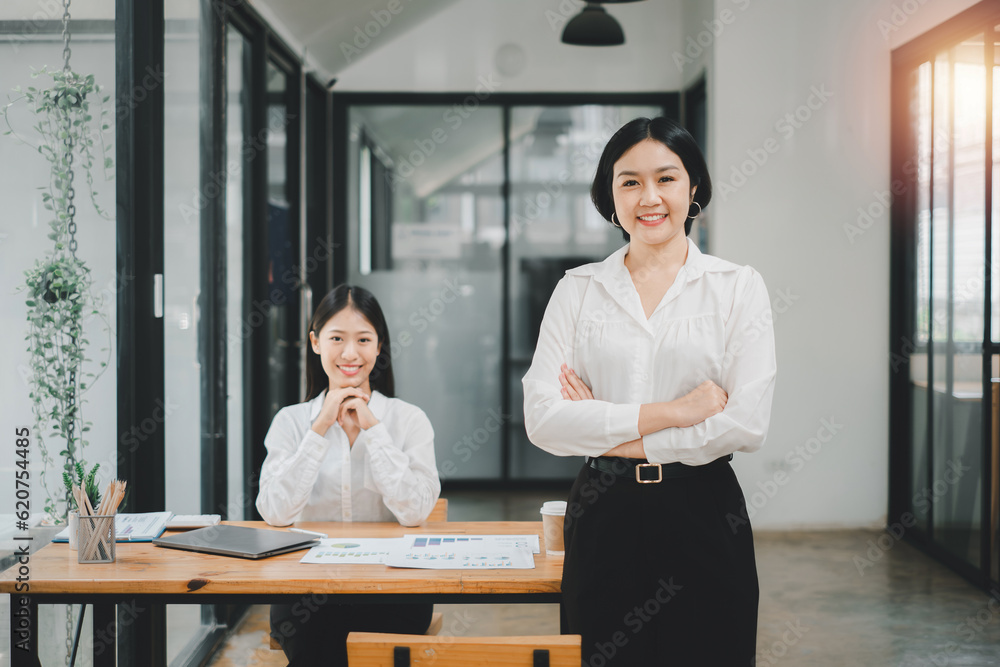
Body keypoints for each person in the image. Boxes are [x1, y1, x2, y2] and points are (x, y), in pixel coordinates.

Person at [522, 117, 776, 665]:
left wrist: (609, 432)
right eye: (629, 181)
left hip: (704, 509)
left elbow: (745, 422)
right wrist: (677, 412)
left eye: (667, 177)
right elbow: (543, 418)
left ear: (694, 188)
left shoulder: (737, 287)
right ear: (610, 196)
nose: (649, 197)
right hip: (603, 511)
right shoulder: (579, 290)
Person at [256, 284, 441, 667]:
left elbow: (415, 512)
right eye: (337, 338)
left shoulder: (408, 420)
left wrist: (374, 429)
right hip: (304, 593)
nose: (351, 353)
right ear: (315, 342)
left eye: (364, 339)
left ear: (379, 345)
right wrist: (320, 427)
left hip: (393, 590)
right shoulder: (291, 422)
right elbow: (275, 513)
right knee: (317, 642)